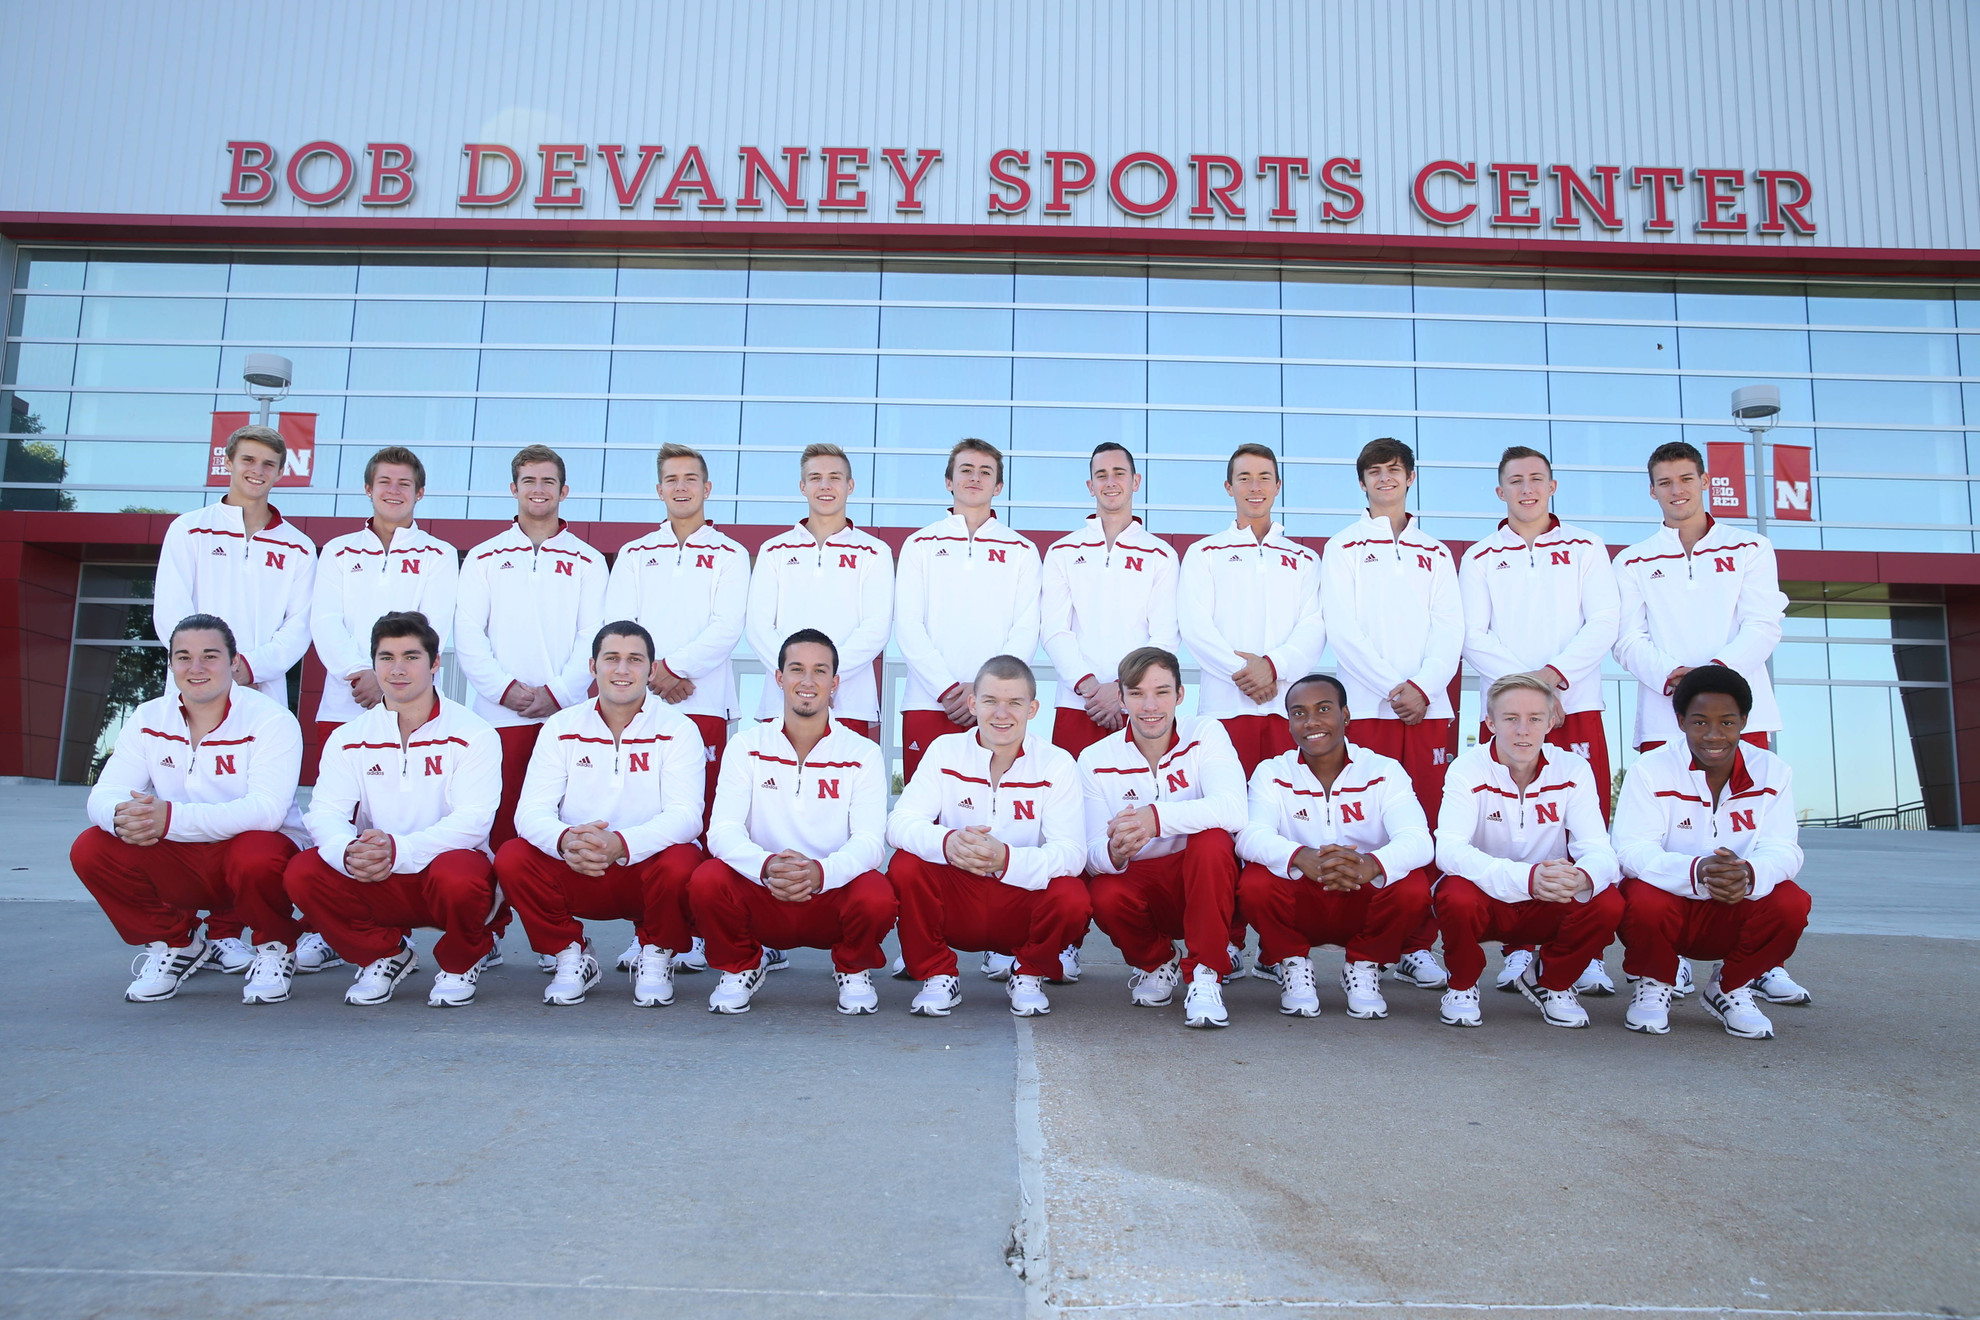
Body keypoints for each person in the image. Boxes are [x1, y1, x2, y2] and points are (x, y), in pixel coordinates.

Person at [1612, 442, 1807, 1006]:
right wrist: (1674, 679)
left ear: (1704, 481)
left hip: (1742, 709)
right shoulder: (1633, 560)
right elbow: (1627, 640)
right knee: (1672, 833)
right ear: (1652, 490)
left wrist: (1712, 678)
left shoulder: (1751, 546)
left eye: (1685, 479)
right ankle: (1667, 958)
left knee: (1746, 832)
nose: (1677, 490)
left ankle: (1754, 964)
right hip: (1663, 711)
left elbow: (1764, 624)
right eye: (1665, 482)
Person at [70, 614, 309, 1005]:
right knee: (92, 847)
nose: (196, 668)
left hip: (247, 855)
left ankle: (275, 948)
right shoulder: (149, 717)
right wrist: (122, 816)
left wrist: (169, 819)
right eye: (183, 657)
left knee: (257, 852)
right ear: (171, 664)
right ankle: (175, 944)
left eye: (209, 656)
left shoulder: (272, 720)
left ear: (234, 662)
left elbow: (267, 811)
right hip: (181, 853)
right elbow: (105, 793)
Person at [151, 423, 317, 973]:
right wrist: (208, 666)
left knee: (250, 814)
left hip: (258, 694)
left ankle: (228, 933)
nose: (257, 471)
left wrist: (249, 666)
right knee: (184, 799)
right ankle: (179, 937)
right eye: (248, 460)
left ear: (280, 472)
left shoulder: (297, 545)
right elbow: (170, 611)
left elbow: (299, 627)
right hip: (195, 691)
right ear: (229, 461)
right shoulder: (189, 529)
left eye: (268, 464)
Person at [1458, 445, 1621, 997]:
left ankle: (1583, 952)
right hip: (1508, 710)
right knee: (1510, 824)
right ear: (1499, 491)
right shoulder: (1480, 556)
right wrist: (1528, 692)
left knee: (1579, 826)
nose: (1526, 489)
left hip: (1576, 701)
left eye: (1536, 479)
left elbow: (1604, 621)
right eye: (1515, 480)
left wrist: (1553, 678)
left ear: (1552, 486)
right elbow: (1473, 634)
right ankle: (1518, 949)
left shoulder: (1586, 546)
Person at [284, 611, 503, 1008]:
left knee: (462, 873)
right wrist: (348, 852)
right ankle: (384, 954)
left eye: (411, 657)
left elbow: (473, 822)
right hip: (376, 873)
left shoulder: (474, 733)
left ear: (434, 664)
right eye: (386, 658)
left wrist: (398, 849)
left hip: (439, 872)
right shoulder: (349, 738)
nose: (397, 669)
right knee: (305, 870)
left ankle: (460, 962)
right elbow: (326, 812)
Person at [496, 621, 707, 1008]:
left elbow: (687, 815)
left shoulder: (679, 729)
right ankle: (569, 954)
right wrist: (567, 840)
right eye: (612, 659)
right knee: (513, 856)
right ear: (593, 667)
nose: (622, 670)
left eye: (634, 660)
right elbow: (530, 812)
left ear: (652, 669)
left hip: (643, 869)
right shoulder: (561, 726)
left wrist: (621, 844)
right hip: (578, 863)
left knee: (684, 860)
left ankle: (656, 954)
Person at [1320, 437, 1463, 994]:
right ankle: (1369, 945)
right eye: (1375, 472)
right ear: (1362, 483)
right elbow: (1343, 629)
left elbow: (1450, 628)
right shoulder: (1343, 546)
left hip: (1428, 709)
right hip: (1369, 708)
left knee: (1425, 823)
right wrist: (1391, 688)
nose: (1386, 479)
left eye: (1395, 470)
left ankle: (1417, 945)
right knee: (1371, 822)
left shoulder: (1436, 552)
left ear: (1410, 477)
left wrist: (1422, 688)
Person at [690, 629, 895, 1016]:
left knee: (876, 893)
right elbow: (722, 832)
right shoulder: (746, 746)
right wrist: (767, 866)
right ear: (779, 677)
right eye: (797, 669)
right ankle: (740, 966)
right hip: (764, 888)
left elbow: (870, 841)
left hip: (829, 892)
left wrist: (820, 873)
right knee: (708, 879)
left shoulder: (862, 753)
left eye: (820, 671)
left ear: (835, 682)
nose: (807, 680)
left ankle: (853, 968)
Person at [602, 441, 748, 976]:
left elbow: (727, 625)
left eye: (691, 478)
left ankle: (700, 934)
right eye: (672, 479)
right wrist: (649, 677)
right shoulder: (635, 554)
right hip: (640, 703)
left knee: (700, 819)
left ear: (707, 489)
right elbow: (619, 625)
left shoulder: (731, 553)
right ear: (659, 489)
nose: (681, 487)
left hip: (703, 700)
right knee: (645, 814)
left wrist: (674, 668)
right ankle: (651, 936)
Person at [1612, 666, 1811, 1039]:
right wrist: (1697, 871)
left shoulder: (1773, 771)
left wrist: (1749, 874)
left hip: (1735, 902)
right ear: (1681, 721)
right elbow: (1630, 849)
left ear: (1744, 722)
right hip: (1672, 904)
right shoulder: (1651, 769)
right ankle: (1655, 981)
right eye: (1700, 722)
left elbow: (1784, 849)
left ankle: (1731, 985)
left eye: (1727, 722)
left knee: (1791, 903)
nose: (1714, 735)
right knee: (1638, 897)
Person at [888, 655, 1091, 1020]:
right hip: (959, 894)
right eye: (990, 701)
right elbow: (899, 823)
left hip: (1018, 896)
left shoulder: (1057, 763)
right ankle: (937, 974)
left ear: (1032, 709)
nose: (1001, 713)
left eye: (1014, 702)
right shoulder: (945, 750)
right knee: (905, 866)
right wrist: (948, 843)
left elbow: (1072, 853)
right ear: (972, 704)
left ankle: (1028, 973)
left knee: (1072, 895)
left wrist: (1006, 859)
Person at [1235, 673, 1435, 1021]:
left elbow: (1419, 840)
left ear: (1345, 715)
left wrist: (1370, 864)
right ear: (1289, 722)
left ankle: (1364, 966)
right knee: (1254, 882)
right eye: (1299, 713)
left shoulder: (1384, 770)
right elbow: (1249, 836)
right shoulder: (1272, 771)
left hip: (1361, 893)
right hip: (1304, 897)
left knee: (1413, 887)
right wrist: (1300, 856)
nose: (1311, 721)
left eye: (1323, 709)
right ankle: (1292, 964)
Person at [1432, 673, 1622, 1029]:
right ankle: (1462, 985)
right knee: (1454, 894)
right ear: (1490, 723)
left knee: (1607, 900)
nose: (1523, 730)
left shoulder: (1573, 768)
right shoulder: (1467, 768)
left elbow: (1599, 849)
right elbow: (1450, 850)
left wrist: (1581, 877)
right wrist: (1527, 877)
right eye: (1510, 718)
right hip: (1489, 895)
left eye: (1535, 719)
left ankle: (1552, 981)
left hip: (1547, 895)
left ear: (1550, 722)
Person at [1078, 647, 1245, 1028]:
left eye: (1162, 692)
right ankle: (1158, 962)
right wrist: (1114, 852)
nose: (1150, 706)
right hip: (1145, 883)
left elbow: (1234, 809)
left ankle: (1205, 974)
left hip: (1204, 881)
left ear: (1180, 695)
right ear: (1121, 699)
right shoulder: (1094, 758)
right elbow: (1090, 852)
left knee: (1213, 841)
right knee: (1104, 890)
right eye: (1137, 693)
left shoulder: (1205, 732)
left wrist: (1155, 819)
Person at [453, 444, 607, 856]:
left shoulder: (589, 560)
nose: (539, 489)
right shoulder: (483, 556)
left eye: (548, 482)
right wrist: (504, 690)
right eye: (529, 481)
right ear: (514, 488)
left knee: (564, 818)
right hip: (498, 715)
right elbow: (468, 633)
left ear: (563, 491)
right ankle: (496, 898)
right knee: (500, 821)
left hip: (567, 714)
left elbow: (593, 637)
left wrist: (557, 693)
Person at [894, 438, 1042, 782]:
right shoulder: (919, 544)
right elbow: (908, 625)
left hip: (995, 706)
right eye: (966, 470)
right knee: (925, 805)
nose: (975, 477)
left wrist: (985, 692)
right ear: (949, 481)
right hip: (929, 701)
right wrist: (947, 689)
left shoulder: (1022, 549)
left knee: (991, 801)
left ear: (998, 486)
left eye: (985, 472)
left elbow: (1025, 628)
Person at [1178, 443, 1325, 777]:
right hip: (1224, 708)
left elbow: (1313, 627)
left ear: (1278, 486)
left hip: (1287, 708)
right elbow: (1195, 627)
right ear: (1229, 487)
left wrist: (1272, 667)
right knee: (1226, 801)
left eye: (1264, 478)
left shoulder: (1305, 559)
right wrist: (1246, 674)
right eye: (1244, 478)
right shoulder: (1204, 553)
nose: (1255, 487)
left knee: (1289, 802)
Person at [744, 444, 893, 739]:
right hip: (783, 702)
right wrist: (799, 679)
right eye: (815, 478)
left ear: (850, 486)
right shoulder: (773, 550)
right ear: (802, 487)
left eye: (834, 477)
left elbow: (876, 628)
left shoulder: (875, 551)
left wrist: (827, 679)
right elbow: (758, 627)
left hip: (849, 704)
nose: (825, 486)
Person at [1041, 442, 1179, 758]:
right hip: (1079, 703)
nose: (1110, 482)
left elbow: (1164, 636)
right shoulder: (1062, 551)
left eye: (1119, 473)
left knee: (1141, 790)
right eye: (1101, 475)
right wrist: (1090, 687)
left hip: (1139, 705)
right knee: (1071, 789)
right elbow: (1054, 630)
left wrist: (1121, 689)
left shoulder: (1161, 555)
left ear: (1136, 481)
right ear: (1090, 486)